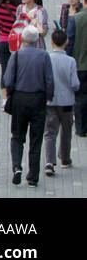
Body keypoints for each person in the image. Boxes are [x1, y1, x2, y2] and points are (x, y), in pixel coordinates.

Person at [3, 25, 56, 186]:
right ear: (37, 40)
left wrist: (10, 95)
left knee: (17, 135)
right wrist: (48, 97)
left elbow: (8, 80)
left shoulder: (17, 56)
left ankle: (17, 166)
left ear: (22, 39)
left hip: (20, 98)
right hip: (38, 99)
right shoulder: (44, 55)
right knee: (36, 138)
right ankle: (33, 176)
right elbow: (49, 80)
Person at [45, 28, 79, 178]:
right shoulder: (71, 61)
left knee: (50, 132)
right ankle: (65, 158)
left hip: (50, 101)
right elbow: (75, 84)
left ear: (51, 41)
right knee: (66, 131)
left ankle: (49, 162)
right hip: (66, 102)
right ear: (66, 42)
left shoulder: (47, 58)